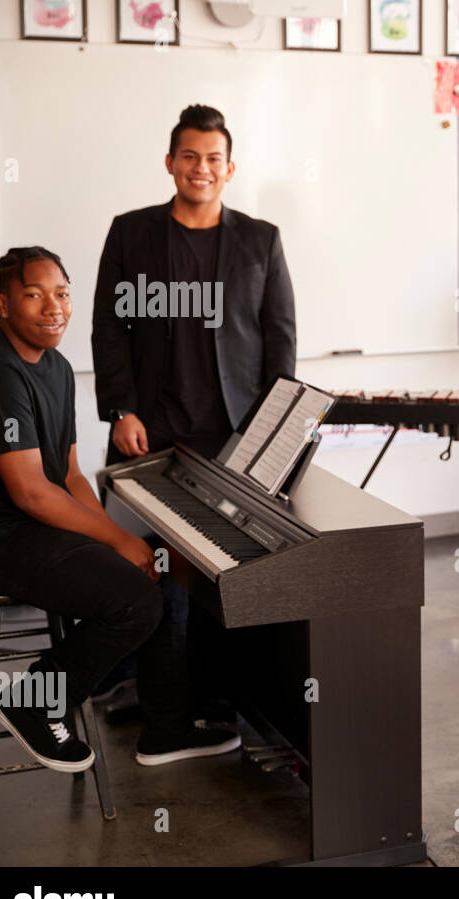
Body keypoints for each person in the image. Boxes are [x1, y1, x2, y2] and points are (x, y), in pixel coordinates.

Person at [91, 103, 296, 764]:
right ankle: (163, 718)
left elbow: (280, 345)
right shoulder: (131, 234)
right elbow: (108, 330)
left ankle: (214, 706)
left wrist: (271, 438)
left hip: (232, 445)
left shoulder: (260, 240)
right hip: (147, 439)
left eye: (213, 158)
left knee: (224, 578)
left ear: (228, 168)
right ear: (170, 162)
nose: (200, 167)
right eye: (189, 156)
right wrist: (120, 408)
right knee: (156, 573)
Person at [0, 248, 163, 772]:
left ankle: (84, 686)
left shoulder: (55, 365)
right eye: (34, 295)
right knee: (136, 601)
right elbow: (30, 491)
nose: (54, 308)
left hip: (33, 527)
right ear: (3, 304)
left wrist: (107, 536)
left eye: (63, 293)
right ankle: (35, 700)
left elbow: (70, 475)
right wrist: (117, 541)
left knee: (142, 574)